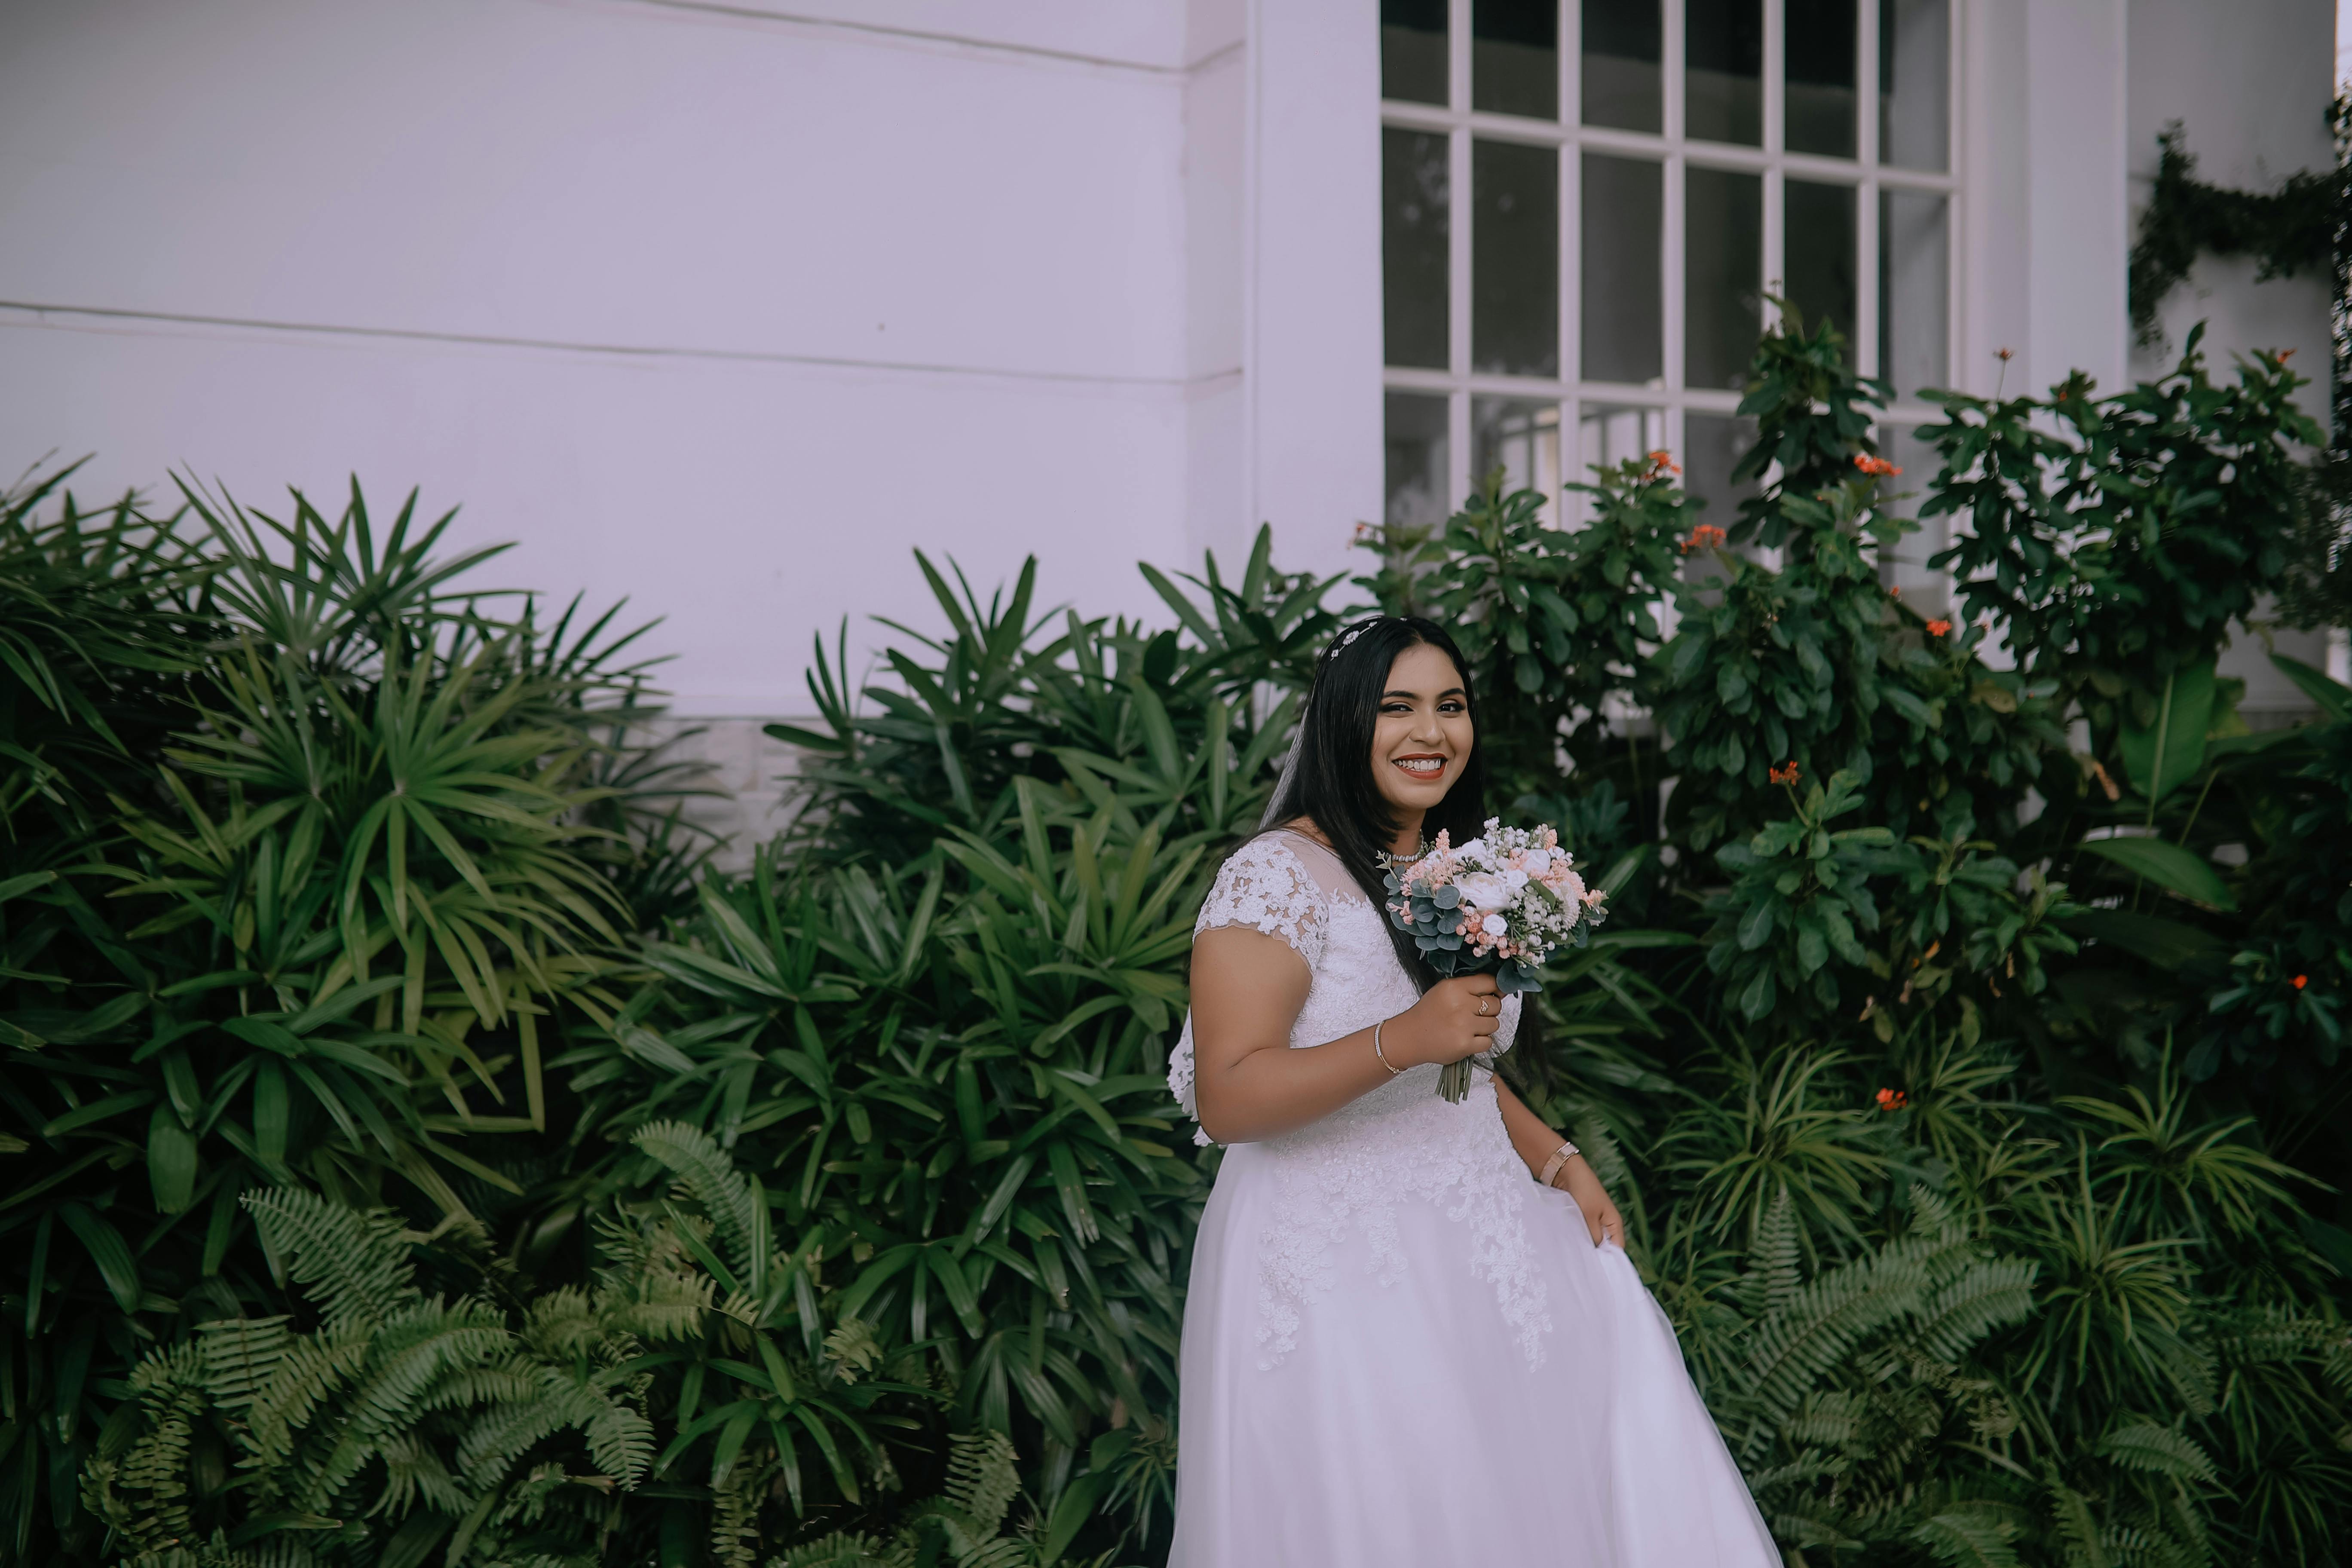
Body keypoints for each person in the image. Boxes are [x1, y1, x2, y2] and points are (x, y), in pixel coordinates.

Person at [1164, 615, 1779, 1566]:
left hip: (1476, 1241)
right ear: (1341, 721)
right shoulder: (1277, 877)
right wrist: (1403, 1038)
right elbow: (1230, 1096)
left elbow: (1463, 1070)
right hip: (1336, 1262)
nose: (1431, 732)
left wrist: (1556, 1157)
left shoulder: (1447, 874)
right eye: (1397, 707)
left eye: (1450, 707)